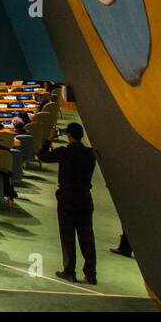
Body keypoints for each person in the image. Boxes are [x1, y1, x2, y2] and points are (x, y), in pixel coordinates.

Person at [38, 121, 97, 284]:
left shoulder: (64, 152)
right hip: (85, 197)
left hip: (67, 197)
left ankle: (69, 271)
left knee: (68, 235)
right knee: (87, 237)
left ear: (68, 135)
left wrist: (49, 139)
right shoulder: (90, 153)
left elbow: (42, 156)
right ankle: (91, 274)